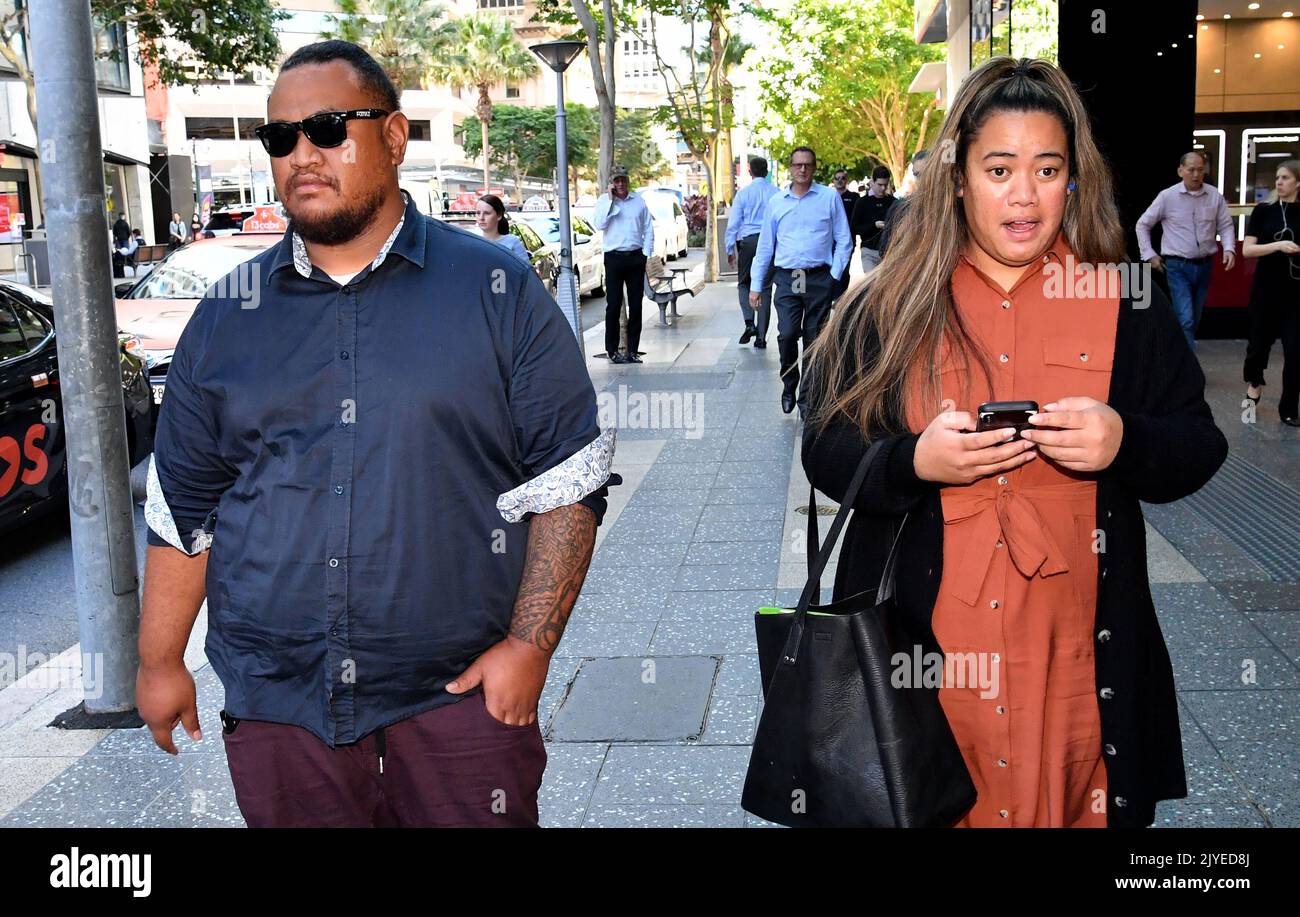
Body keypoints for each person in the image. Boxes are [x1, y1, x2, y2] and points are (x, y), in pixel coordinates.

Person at [136, 39, 617, 828]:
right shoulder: (228, 316)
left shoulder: (496, 290)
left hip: (457, 702)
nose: (302, 154)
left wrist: (531, 647)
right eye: (280, 138)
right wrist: (160, 662)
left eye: (328, 128)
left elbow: (568, 482)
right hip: (279, 706)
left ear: (394, 137)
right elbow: (182, 509)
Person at [802, 57, 1226, 828]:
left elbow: (1198, 446)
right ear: (959, 176)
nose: (1025, 194)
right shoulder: (891, 303)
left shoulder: (1124, 297)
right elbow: (824, 446)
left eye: (1047, 168)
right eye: (999, 168)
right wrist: (913, 462)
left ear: (1074, 179)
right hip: (925, 672)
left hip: (1074, 673)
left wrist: (1123, 440)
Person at [750, 146, 852, 414]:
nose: (802, 169)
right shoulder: (777, 202)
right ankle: (788, 383)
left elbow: (844, 240)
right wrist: (756, 285)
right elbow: (765, 247)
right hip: (787, 278)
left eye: (807, 165)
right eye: (797, 165)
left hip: (819, 277)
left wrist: (834, 276)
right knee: (786, 334)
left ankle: (807, 398)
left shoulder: (829, 198)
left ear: (815, 168)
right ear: (790, 168)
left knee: (814, 340)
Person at [1136, 151, 1237, 350]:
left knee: (1194, 317)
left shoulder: (1214, 196)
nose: (1196, 174)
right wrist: (1149, 255)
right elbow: (1143, 224)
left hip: (1205, 264)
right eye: (1191, 170)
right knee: (1186, 318)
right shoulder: (1168, 196)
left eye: (1200, 170)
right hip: (1177, 265)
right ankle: (1188, 372)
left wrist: (1229, 249)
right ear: (1180, 171)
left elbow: (1225, 225)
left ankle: (1177, 359)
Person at [1241, 159, 1300, 426]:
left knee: (1296, 351)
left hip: (1296, 293)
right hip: (1266, 290)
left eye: (1285, 177)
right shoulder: (1264, 211)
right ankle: (1254, 387)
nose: (1279, 182)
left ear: (1298, 182)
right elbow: (1248, 249)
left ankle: (1289, 407)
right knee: (1258, 347)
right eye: (1278, 177)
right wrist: (1278, 246)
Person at [592, 165, 654, 364]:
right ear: (611, 183)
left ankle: (633, 350)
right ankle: (612, 350)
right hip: (614, 258)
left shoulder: (638, 201)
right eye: (616, 181)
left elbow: (648, 228)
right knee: (613, 305)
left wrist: (646, 253)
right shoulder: (603, 201)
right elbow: (600, 224)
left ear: (628, 181)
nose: (620, 184)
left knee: (636, 306)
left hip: (635, 257)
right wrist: (611, 201)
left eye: (623, 180)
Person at [725, 156, 777, 348]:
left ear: (750, 171)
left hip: (748, 243)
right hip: (769, 244)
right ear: (766, 170)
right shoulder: (776, 193)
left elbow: (733, 224)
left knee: (744, 283)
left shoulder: (743, 194)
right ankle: (762, 337)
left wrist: (730, 248)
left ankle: (749, 322)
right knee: (765, 288)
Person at [851, 165, 896, 273]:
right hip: (868, 251)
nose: (883, 188)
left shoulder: (893, 201)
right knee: (871, 285)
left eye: (885, 185)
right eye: (880, 185)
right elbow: (854, 228)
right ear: (872, 182)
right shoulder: (862, 202)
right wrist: (874, 225)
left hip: (888, 253)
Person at [830, 168, 860, 301]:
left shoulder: (854, 198)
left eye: (842, 178)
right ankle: (833, 295)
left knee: (844, 269)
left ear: (846, 181)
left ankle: (841, 297)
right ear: (833, 181)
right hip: (830, 240)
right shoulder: (829, 198)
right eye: (837, 178)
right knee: (832, 267)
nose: (840, 181)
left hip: (848, 239)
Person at [475, 193, 528, 263]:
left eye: (487, 213)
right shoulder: (473, 242)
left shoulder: (512, 242)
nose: (481, 218)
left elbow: (526, 271)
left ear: (499, 215)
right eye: (478, 213)